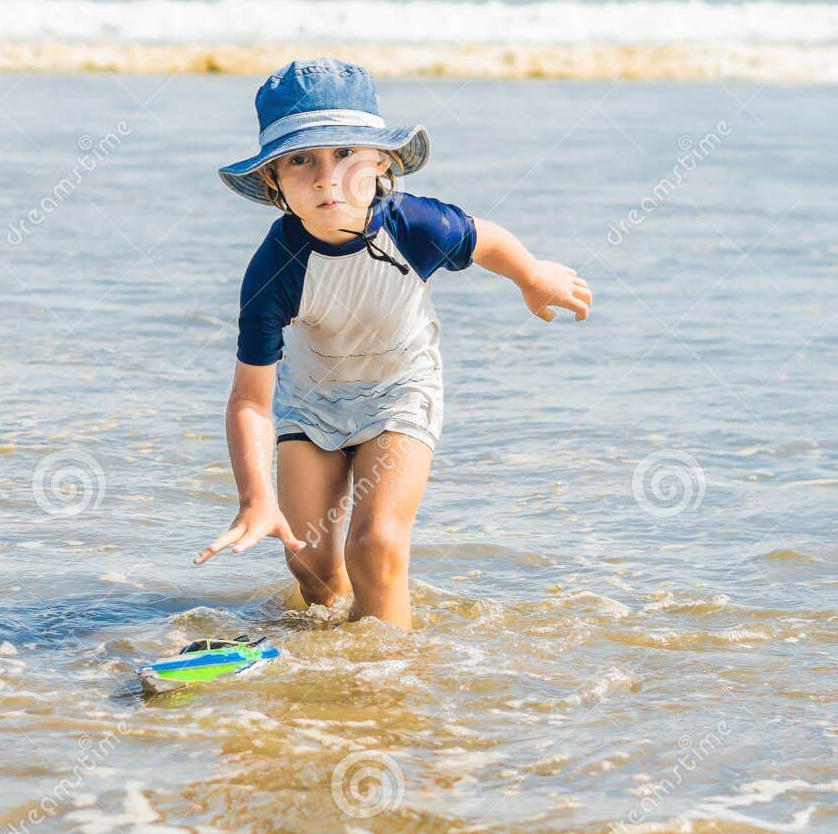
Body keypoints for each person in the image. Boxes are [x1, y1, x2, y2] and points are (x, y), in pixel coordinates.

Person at [194, 58, 591, 629]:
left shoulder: (416, 226)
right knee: (306, 560)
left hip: (399, 393)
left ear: (381, 162)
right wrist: (256, 499)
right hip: (310, 406)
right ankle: (339, 650)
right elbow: (251, 400)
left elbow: (486, 238)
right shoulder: (274, 268)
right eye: (301, 159)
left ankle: (393, 671)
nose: (326, 176)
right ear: (272, 179)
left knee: (375, 543)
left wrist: (531, 276)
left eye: (345, 153)